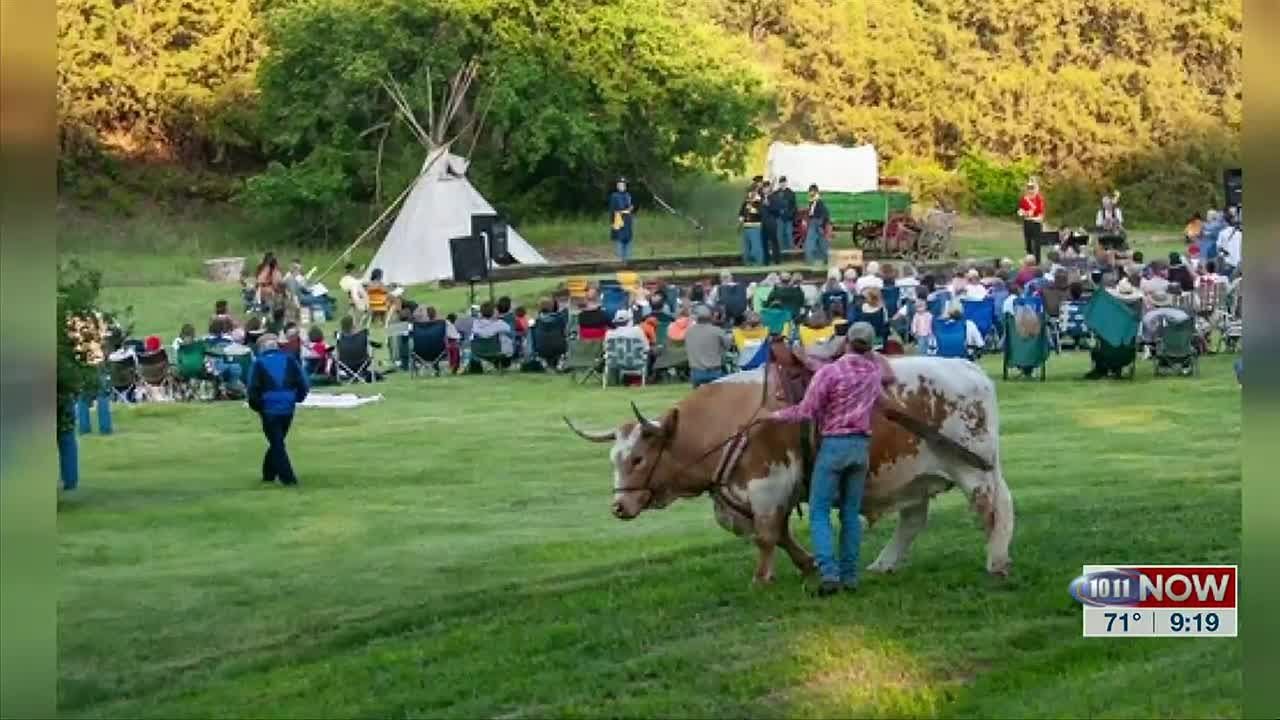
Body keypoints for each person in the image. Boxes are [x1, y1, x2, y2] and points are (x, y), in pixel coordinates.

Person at [765, 322, 895, 597]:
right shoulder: (873, 372)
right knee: (850, 513)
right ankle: (849, 576)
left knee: (819, 510)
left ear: (846, 341)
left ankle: (828, 572)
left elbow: (806, 411)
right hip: (861, 446)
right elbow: (883, 400)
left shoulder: (829, 372)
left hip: (834, 446)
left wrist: (772, 417)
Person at [247, 333, 309, 486]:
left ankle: (288, 478)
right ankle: (268, 474)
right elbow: (303, 383)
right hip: (288, 407)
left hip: (269, 408)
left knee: (277, 443)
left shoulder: (258, 363)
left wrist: (258, 407)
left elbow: (252, 389)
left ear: (261, 348)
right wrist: (297, 398)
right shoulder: (290, 359)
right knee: (277, 441)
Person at [684, 305, 732, 387]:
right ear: (712, 316)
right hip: (715, 373)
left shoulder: (688, 332)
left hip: (696, 374)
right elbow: (728, 346)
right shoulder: (718, 331)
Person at [1016, 178, 1046, 263]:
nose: (1030, 190)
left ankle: (1037, 261)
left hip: (1036, 223)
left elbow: (1041, 215)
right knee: (1028, 242)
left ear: (1036, 188)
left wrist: (1031, 215)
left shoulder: (1039, 199)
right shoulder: (1024, 199)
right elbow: (1020, 210)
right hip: (1027, 223)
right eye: (1029, 188)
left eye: (1032, 188)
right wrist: (1022, 213)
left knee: (1037, 243)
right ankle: (1029, 260)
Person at [609, 177, 635, 262]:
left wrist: (629, 210)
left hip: (628, 220)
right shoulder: (614, 196)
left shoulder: (628, 195)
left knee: (628, 240)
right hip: (618, 219)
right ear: (617, 186)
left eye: (623, 184)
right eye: (620, 184)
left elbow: (630, 207)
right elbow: (614, 210)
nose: (622, 186)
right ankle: (619, 261)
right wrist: (613, 222)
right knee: (619, 240)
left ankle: (627, 260)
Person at [769, 176, 798, 252]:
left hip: (788, 218)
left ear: (786, 183)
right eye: (781, 182)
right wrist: (777, 213)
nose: (783, 184)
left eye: (784, 182)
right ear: (779, 183)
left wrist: (790, 215)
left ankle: (791, 252)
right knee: (779, 235)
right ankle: (780, 251)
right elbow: (772, 205)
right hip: (779, 217)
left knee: (789, 234)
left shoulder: (791, 193)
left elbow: (794, 206)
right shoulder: (776, 193)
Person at [804, 184, 831, 265]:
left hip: (818, 222)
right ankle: (811, 260)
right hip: (814, 222)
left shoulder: (819, 202)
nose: (810, 193)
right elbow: (810, 213)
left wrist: (822, 224)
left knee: (818, 242)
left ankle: (824, 258)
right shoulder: (812, 201)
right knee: (814, 241)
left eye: (812, 191)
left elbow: (825, 213)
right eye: (810, 191)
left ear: (815, 192)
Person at [738, 188, 765, 265]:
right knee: (746, 247)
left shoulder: (759, 202)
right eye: (748, 193)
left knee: (756, 246)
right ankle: (747, 262)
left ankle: (758, 262)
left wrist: (752, 209)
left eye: (751, 192)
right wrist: (741, 218)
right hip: (746, 227)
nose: (750, 194)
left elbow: (761, 213)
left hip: (755, 227)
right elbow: (741, 213)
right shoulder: (746, 202)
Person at [339, 263, 368, 327]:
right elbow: (359, 277)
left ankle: (353, 322)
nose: (355, 270)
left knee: (352, 308)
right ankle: (355, 322)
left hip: (351, 295)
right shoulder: (351, 276)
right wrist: (361, 270)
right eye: (354, 269)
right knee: (361, 309)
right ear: (352, 269)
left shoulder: (345, 276)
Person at [1217, 211, 1242, 277]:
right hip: (1239, 265)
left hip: (1228, 264)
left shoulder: (1222, 233)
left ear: (1225, 222)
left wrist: (1225, 254)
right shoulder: (1240, 233)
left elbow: (1219, 249)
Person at [757, 179, 776, 265]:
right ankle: (766, 260)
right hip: (763, 223)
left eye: (767, 188)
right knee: (764, 242)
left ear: (769, 188)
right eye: (764, 188)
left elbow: (777, 209)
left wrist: (769, 205)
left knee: (774, 241)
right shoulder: (760, 199)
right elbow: (759, 210)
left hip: (771, 222)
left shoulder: (773, 197)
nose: (765, 189)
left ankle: (776, 260)